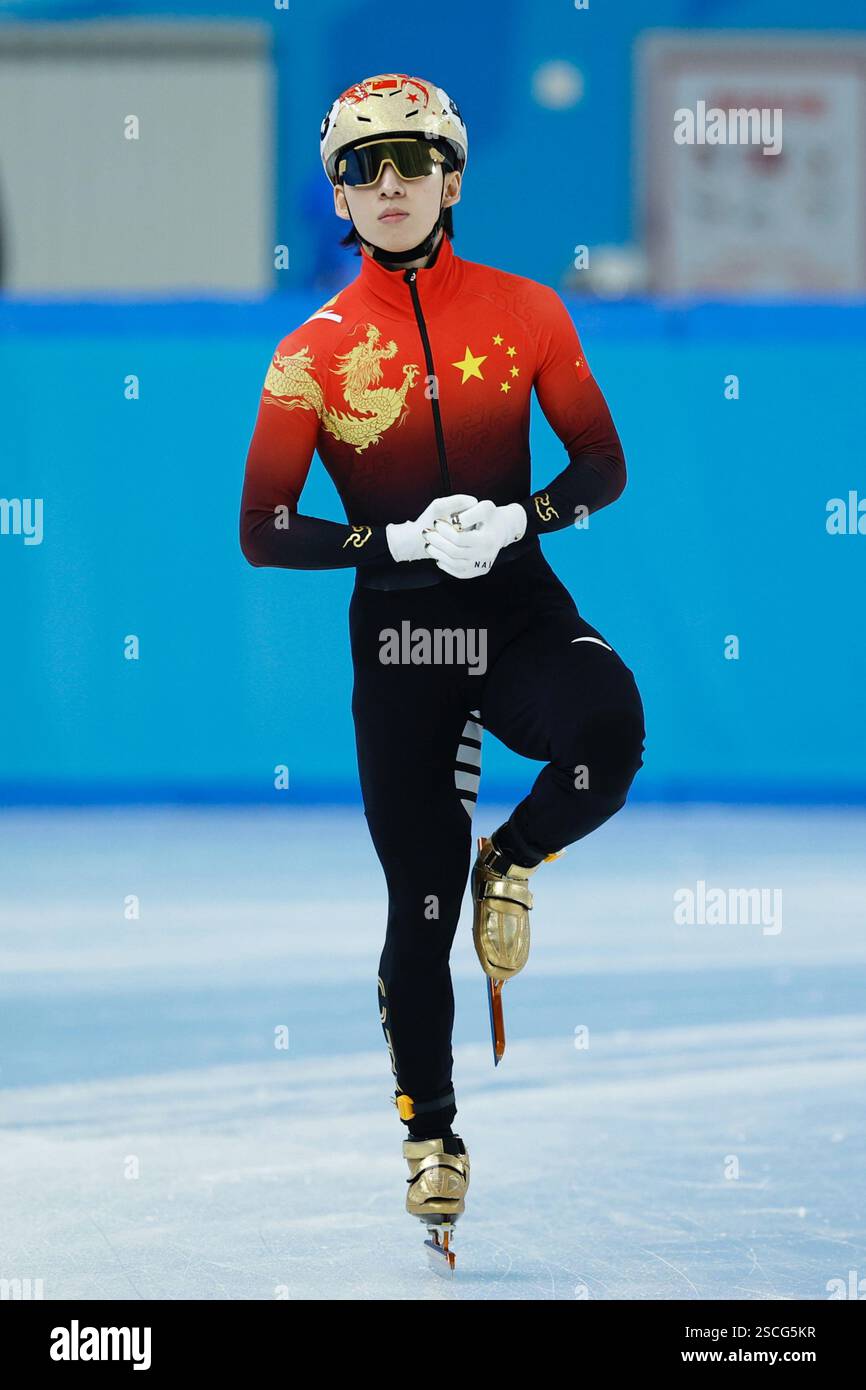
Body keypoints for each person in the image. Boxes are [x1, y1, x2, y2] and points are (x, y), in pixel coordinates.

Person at [239, 73, 645, 1249]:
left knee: (608, 731)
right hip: (405, 633)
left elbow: (601, 464)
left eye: (412, 161)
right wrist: (394, 539)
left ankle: (509, 859)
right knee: (415, 911)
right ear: (339, 199)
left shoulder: (523, 312)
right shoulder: (311, 354)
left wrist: (524, 517)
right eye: (364, 169)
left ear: (452, 178)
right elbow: (261, 528)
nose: (390, 184)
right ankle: (431, 1131)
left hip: (512, 603)